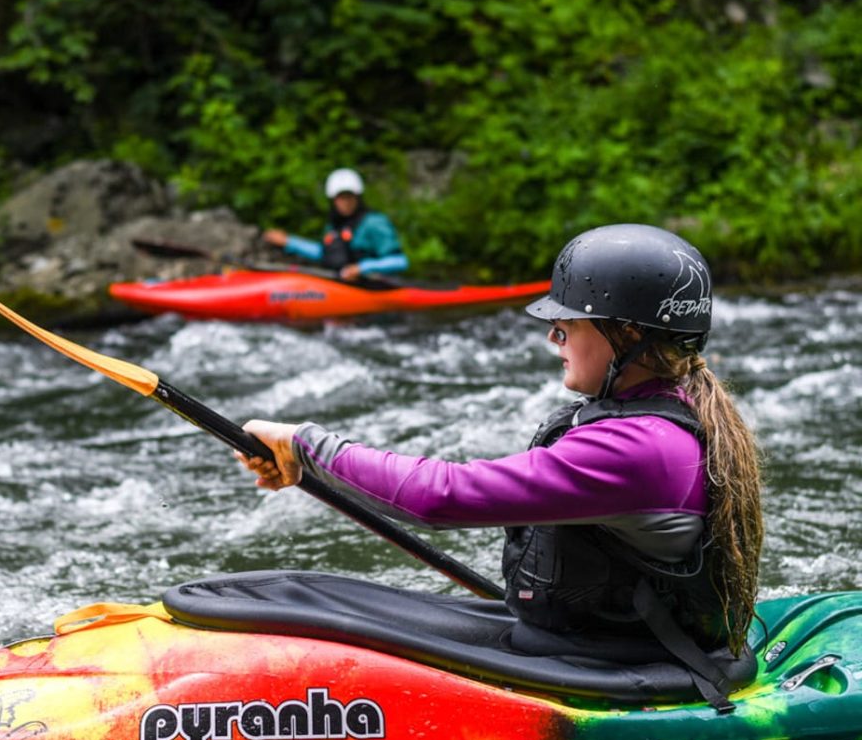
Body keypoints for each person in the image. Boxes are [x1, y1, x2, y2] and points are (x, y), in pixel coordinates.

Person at [235, 223, 765, 710]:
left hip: (613, 663)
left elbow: (439, 497)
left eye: (565, 327)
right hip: (596, 640)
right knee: (309, 594)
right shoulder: (676, 407)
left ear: (626, 335)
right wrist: (310, 473)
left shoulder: (639, 448)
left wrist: (306, 444)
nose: (552, 340)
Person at [262, 168, 408, 280]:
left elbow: (400, 261)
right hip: (340, 285)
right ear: (333, 200)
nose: (346, 202)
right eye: (341, 197)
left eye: (349, 197)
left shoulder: (374, 223)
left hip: (372, 287)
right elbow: (323, 253)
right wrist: (289, 242)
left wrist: (361, 268)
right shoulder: (334, 225)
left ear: (358, 197)